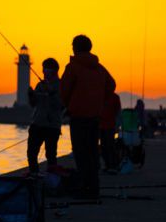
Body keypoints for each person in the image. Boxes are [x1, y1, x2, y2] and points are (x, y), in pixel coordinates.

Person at [59, 34, 116, 199]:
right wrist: (100, 101)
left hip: (77, 116)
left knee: (80, 153)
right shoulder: (99, 68)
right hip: (94, 117)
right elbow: (112, 85)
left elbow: (64, 90)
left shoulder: (73, 67)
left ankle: (84, 188)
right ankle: (94, 187)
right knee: (92, 152)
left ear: (75, 48)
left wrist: (68, 105)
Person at [25, 58, 63, 175]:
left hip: (52, 126)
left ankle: (52, 180)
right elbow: (33, 104)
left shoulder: (61, 86)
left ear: (54, 70)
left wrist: (51, 93)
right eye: (43, 69)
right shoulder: (40, 85)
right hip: (37, 124)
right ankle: (34, 176)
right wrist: (31, 95)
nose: (43, 72)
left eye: (46, 69)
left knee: (51, 155)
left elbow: (60, 106)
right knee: (31, 153)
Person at [100, 91, 122, 173]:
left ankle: (113, 165)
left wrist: (117, 125)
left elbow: (118, 112)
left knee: (110, 146)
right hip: (101, 126)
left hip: (110, 126)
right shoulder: (100, 95)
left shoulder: (115, 97)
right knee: (104, 147)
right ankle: (108, 165)